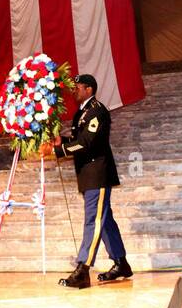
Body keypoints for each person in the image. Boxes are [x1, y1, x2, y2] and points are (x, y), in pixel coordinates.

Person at [53, 75, 131, 289]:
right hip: (88, 173)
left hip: (97, 172)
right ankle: (121, 264)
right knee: (104, 221)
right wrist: (63, 141)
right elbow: (79, 139)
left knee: (93, 221)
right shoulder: (81, 112)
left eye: (78, 88)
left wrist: (58, 150)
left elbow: (88, 142)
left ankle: (83, 268)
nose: (74, 91)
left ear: (89, 89)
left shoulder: (97, 110)